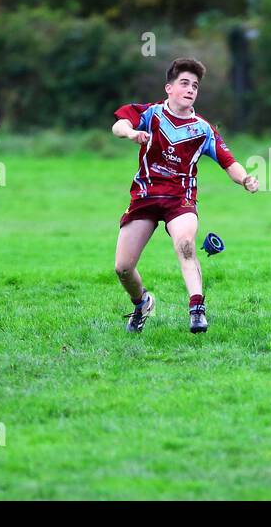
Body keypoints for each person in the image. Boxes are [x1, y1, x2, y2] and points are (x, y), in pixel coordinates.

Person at [111, 57, 259, 334]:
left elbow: (229, 162)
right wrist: (131, 133)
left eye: (195, 85)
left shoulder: (202, 129)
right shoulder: (151, 114)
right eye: (184, 83)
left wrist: (246, 179)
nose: (190, 89)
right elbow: (118, 125)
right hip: (145, 196)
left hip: (180, 199)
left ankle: (197, 309)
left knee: (186, 244)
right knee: (122, 268)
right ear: (169, 88)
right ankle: (142, 302)